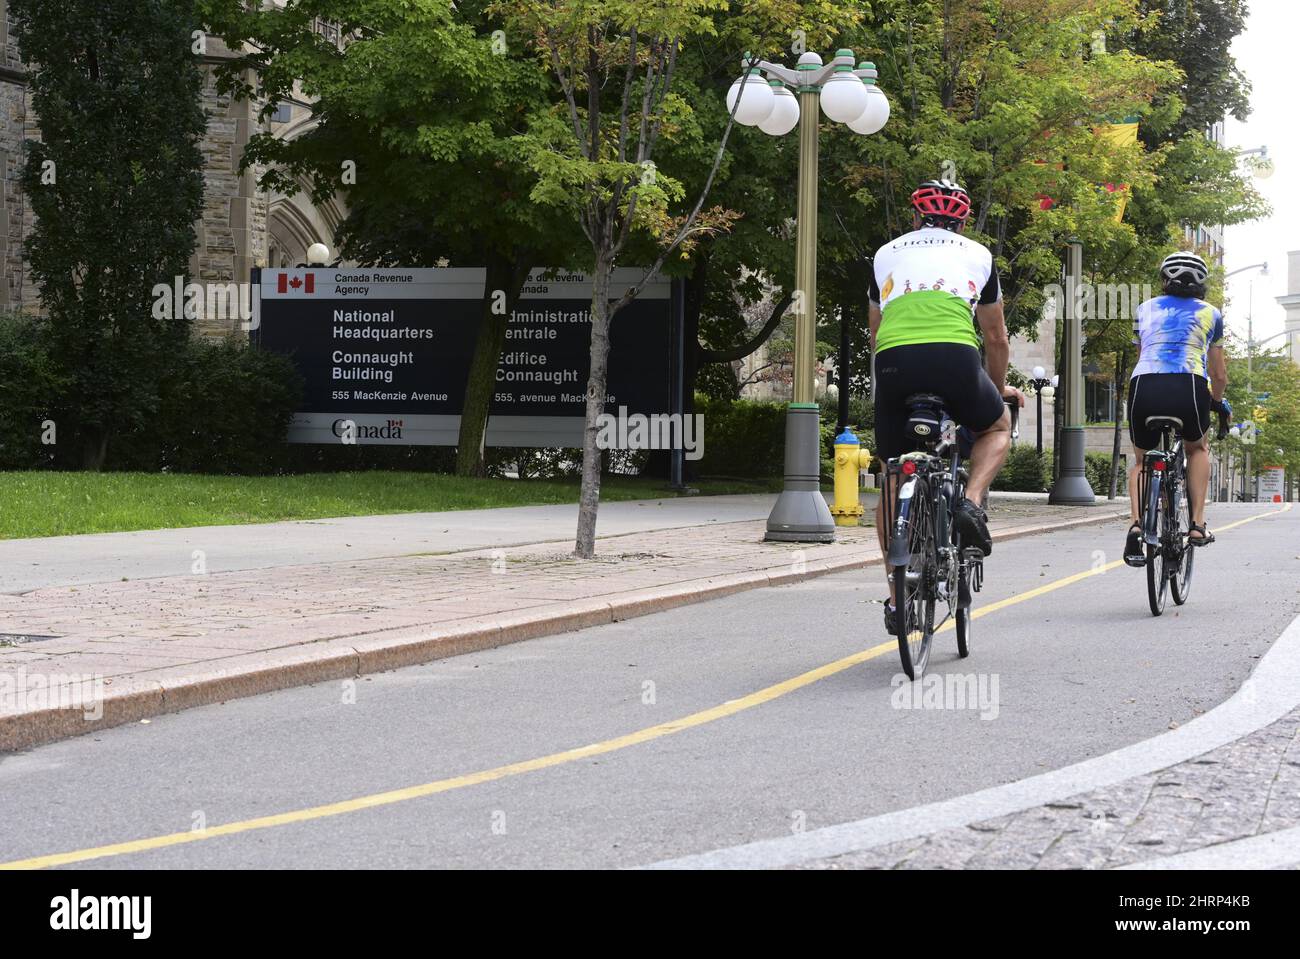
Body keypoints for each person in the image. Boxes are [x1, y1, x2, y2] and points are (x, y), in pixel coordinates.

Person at [868, 179, 1025, 632]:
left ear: (914, 218)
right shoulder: (978, 255)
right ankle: (971, 503)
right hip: (955, 358)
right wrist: (994, 393)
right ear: (963, 221)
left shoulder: (884, 255)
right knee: (995, 428)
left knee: (892, 471)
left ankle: (897, 597)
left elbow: (876, 332)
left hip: (895, 362)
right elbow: (995, 338)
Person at [1123, 251, 1229, 565]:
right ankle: (1196, 525)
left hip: (1145, 384)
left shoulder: (1145, 309)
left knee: (1142, 461)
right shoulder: (1212, 314)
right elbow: (1219, 374)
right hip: (1189, 385)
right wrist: (1217, 402)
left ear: (1165, 280)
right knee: (1197, 449)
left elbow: (1142, 353)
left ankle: (1137, 525)